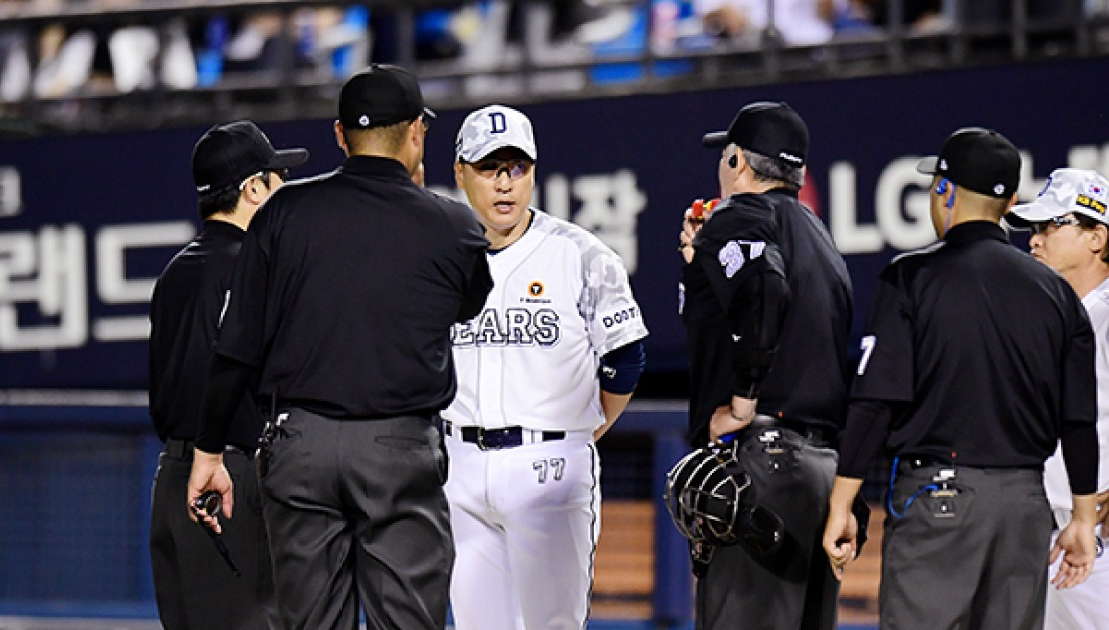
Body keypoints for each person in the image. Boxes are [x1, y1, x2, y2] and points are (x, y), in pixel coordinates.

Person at [187, 63, 493, 630]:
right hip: (397, 447)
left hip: (299, 445)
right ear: (416, 133)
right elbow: (467, 303)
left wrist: (208, 451)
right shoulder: (450, 224)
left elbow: (236, 346)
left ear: (339, 135)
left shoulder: (282, 211)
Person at [822, 129, 1101, 629]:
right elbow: (1077, 418)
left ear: (943, 191)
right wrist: (1082, 518)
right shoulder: (1055, 294)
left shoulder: (911, 276)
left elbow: (875, 402)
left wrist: (842, 503)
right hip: (1024, 506)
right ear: (1011, 201)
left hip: (940, 499)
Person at [444, 104, 649, 629]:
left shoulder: (581, 254)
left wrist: (585, 430)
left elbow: (626, 359)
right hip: (460, 466)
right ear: (461, 173)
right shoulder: (440, 256)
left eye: (518, 167)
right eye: (491, 168)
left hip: (549, 464)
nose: (506, 183)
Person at [676, 100, 854, 629]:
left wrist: (742, 400)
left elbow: (761, 288)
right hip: (820, 471)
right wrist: (701, 270)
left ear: (740, 164)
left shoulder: (739, 215)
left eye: (727, 156)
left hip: (764, 465)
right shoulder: (821, 239)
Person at [148, 119, 306, 630]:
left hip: (173, 480)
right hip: (228, 480)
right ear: (253, 189)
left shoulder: (176, 272)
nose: (285, 189)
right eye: (277, 177)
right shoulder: (256, 268)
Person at [1006, 168, 1109, 630]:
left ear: (1096, 237)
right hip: (1054, 531)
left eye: (1050, 226)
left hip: (1096, 540)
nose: (1035, 240)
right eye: (1033, 228)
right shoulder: (1063, 316)